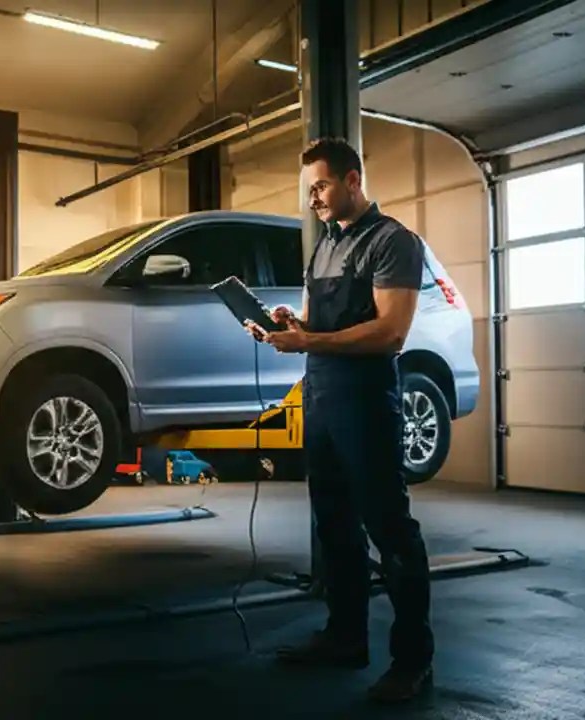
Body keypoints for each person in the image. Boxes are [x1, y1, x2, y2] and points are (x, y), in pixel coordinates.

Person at [244, 137, 434, 703]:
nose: (313, 200)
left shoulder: (394, 242)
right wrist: (289, 323)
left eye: (321, 186)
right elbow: (318, 321)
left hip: (367, 401)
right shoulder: (324, 245)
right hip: (322, 397)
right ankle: (346, 637)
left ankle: (413, 660)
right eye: (309, 190)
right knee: (334, 526)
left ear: (354, 180)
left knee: (389, 527)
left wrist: (311, 338)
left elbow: (389, 331)